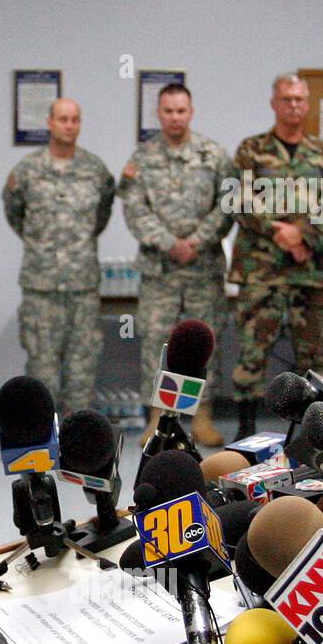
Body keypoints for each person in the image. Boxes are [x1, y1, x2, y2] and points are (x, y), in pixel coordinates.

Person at [229, 73, 323, 437]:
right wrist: (279, 232)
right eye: (286, 99)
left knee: (311, 359)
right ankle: (245, 431)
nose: (293, 105)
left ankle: (310, 434)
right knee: (252, 352)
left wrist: (304, 237)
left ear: (307, 105)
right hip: (261, 269)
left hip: (309, 271)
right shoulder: (251, 148)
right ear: (274, 104)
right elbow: (237, 199)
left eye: (299, 99)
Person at [119, 84, 235, 446]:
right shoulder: (142, 159)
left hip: (203, 269)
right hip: (160, 272)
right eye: (168, 111)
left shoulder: (214, 155)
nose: (175, 117)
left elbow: (228, 205)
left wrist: (197, 241)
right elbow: (134, 209)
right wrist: (171, 244)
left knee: (204, 344)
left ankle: (201, 416)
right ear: (158, 113)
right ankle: (158, 417)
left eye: (181, 110)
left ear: (191, 111)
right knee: (158, 345)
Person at [4, 98, 114, 416]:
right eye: (62, 119)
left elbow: (101, 216)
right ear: (50, 123)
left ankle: (75, 442)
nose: (69, 125)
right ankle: (42, 446)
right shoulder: (26, 171)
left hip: (83, 286)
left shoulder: (96, 170)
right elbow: (16, 214)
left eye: (75, 119)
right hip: (41, 287)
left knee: (83, 368)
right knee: (42, 370)